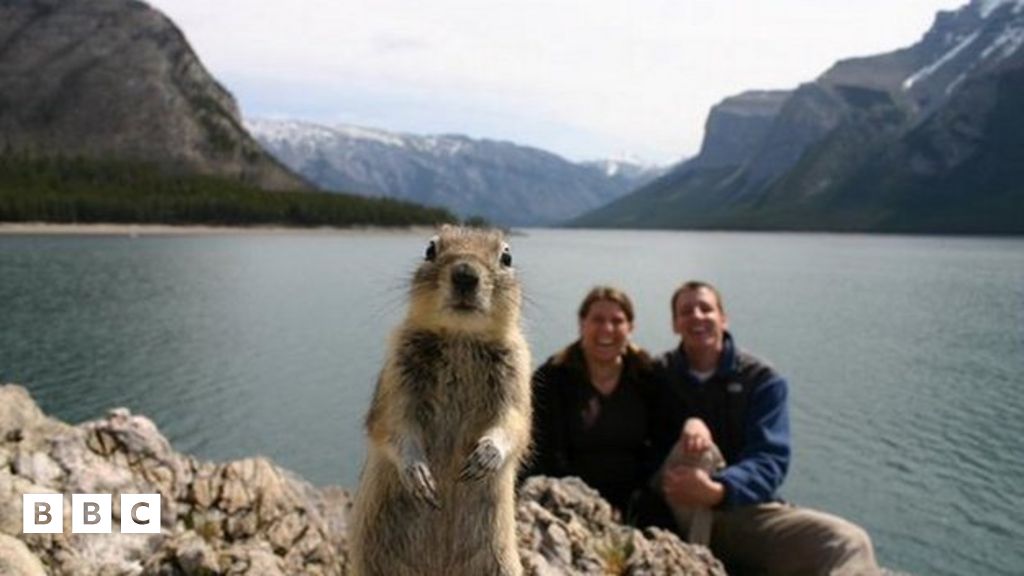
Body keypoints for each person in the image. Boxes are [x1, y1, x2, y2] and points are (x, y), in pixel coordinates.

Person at [652, 280, 880, 576]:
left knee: (849, 542)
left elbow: (770, 459)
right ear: (675, 324)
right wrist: (692, 426)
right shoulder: (655, 373)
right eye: (686, 311)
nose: (697, 316)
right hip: (672, 506)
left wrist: (719, 490)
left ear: (723, 318)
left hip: (738, 513)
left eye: (706, 308)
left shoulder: (761, 380)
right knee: (696, 450)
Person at [521, 286, 660, 520]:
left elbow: (663, 442)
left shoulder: (647, 376)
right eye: (597, 319)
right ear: (581, 323)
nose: (607, 329)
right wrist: (589, 505)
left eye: (617, 321)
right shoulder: (553, 379)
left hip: (636, 499)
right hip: (568, 499)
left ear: (630, 328)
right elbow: (544, 455)